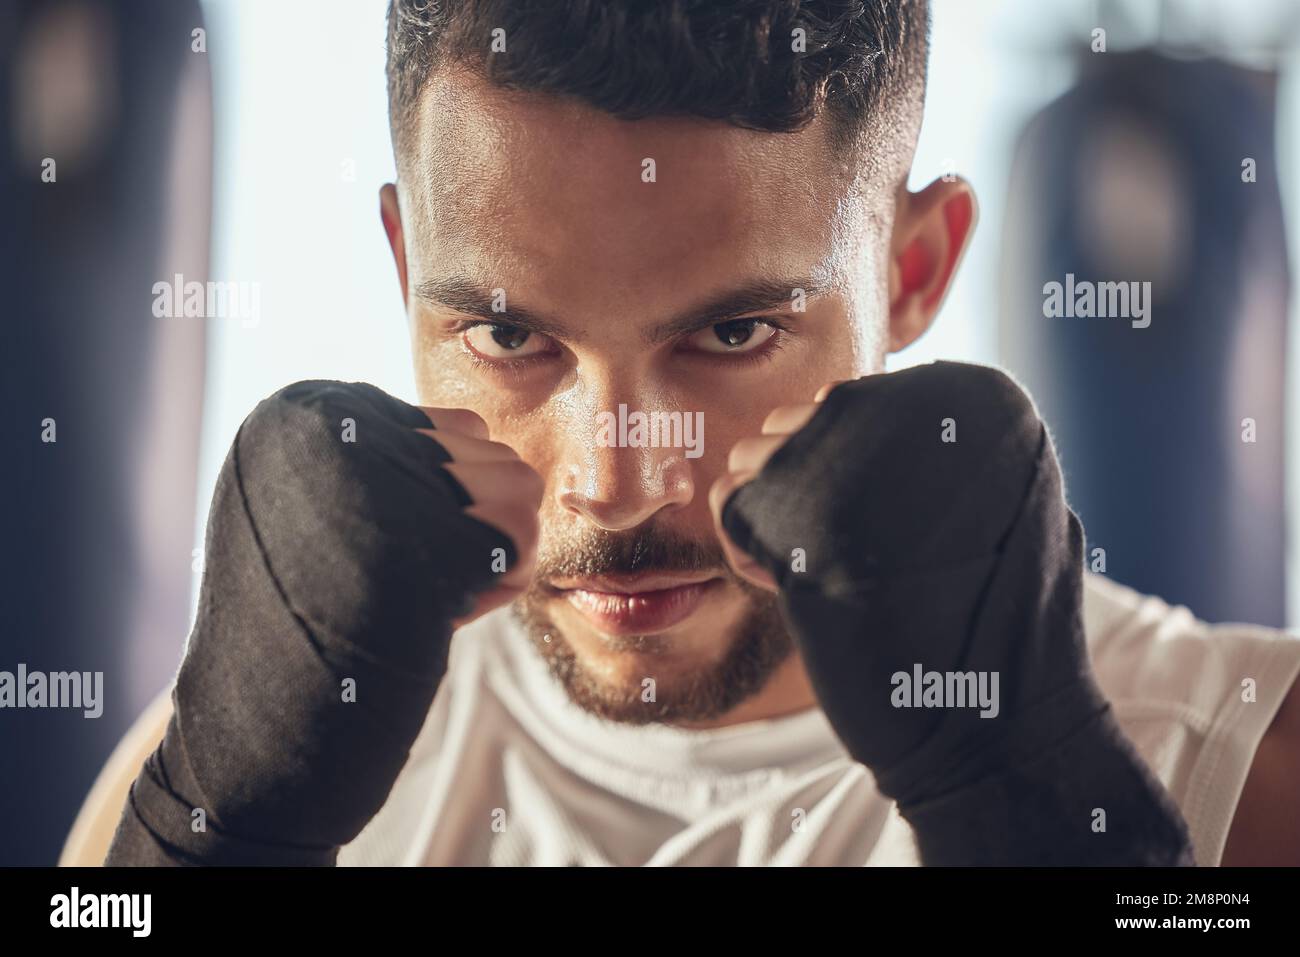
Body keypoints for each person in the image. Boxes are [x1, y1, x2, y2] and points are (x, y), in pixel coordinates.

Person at [98, 0, 1300, 867]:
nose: (616, 479)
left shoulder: (1231, 764)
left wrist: (1043, 813)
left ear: (913, 264)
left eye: (730, 336)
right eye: (511, 339)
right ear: (409, 269)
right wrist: (196, 841)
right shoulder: (263, 739)